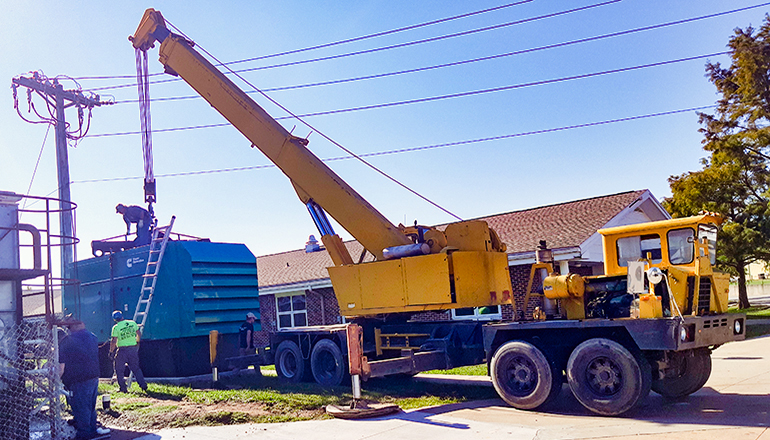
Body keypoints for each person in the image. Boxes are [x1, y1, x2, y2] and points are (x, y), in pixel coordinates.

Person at [58, 315, 110, 440]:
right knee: (90, 406)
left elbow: (61, 367)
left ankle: (84, 434)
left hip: (78, 378)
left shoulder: (67, 342)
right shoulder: (92, 337)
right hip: (93, 375)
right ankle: (92, 429)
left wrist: (56, 380)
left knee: (81, 407)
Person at [110, 310, 148, 393]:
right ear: (122, 316)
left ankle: (123, 388)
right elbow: (138, 333)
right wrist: (137, 341)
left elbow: (113, 340)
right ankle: (143, 386)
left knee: (119, 369)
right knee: (136, 368)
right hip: (133, 349)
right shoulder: (132, 323)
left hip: (122, 350)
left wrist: (111, 351)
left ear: (114, 319)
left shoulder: (116, 327)